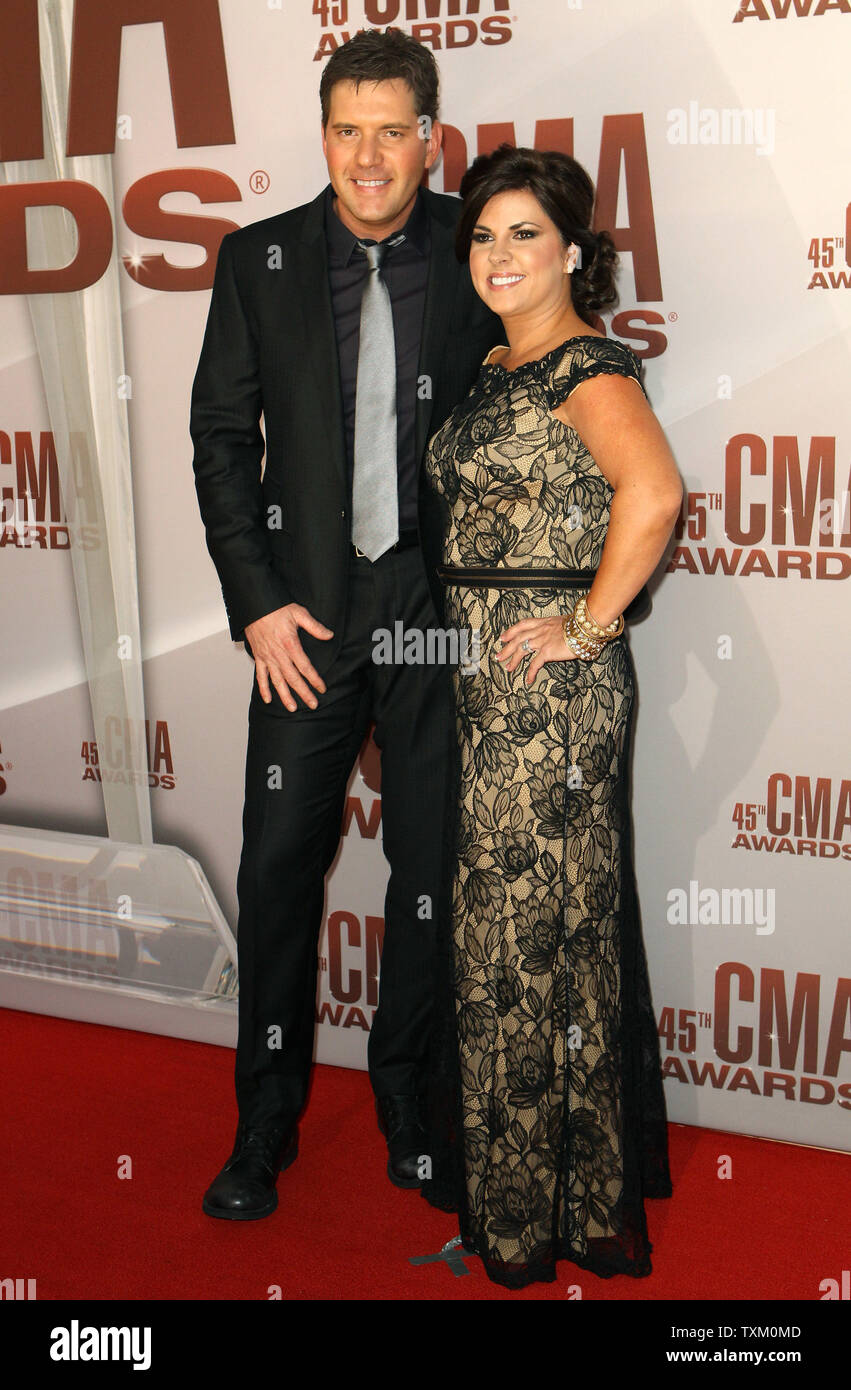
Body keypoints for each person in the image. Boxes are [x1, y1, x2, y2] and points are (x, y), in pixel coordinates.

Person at [190, 30, 501, 1220]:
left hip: (433, 618)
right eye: (345, 129)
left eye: (392, 130)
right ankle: (262, 1126)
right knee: (277, 870)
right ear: (322, 136)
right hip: (305, 622)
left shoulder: (479, 252)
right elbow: (223, 440)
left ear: (431, 136)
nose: (368, 156)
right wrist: (259, 603)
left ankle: (408, 1107)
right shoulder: (257, 259)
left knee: (427, 870)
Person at [420, 145, 681, 1288]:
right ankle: (540, 1196)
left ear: (573, 251)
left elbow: (655, 491)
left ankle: (535, 1210)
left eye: (524, 233)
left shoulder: (583, 367)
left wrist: (585, 625)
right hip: (486, 688)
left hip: (547, 698)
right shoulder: (495, 364)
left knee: (522, 944)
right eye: (482, 235)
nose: (498, 255)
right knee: (527, 942)